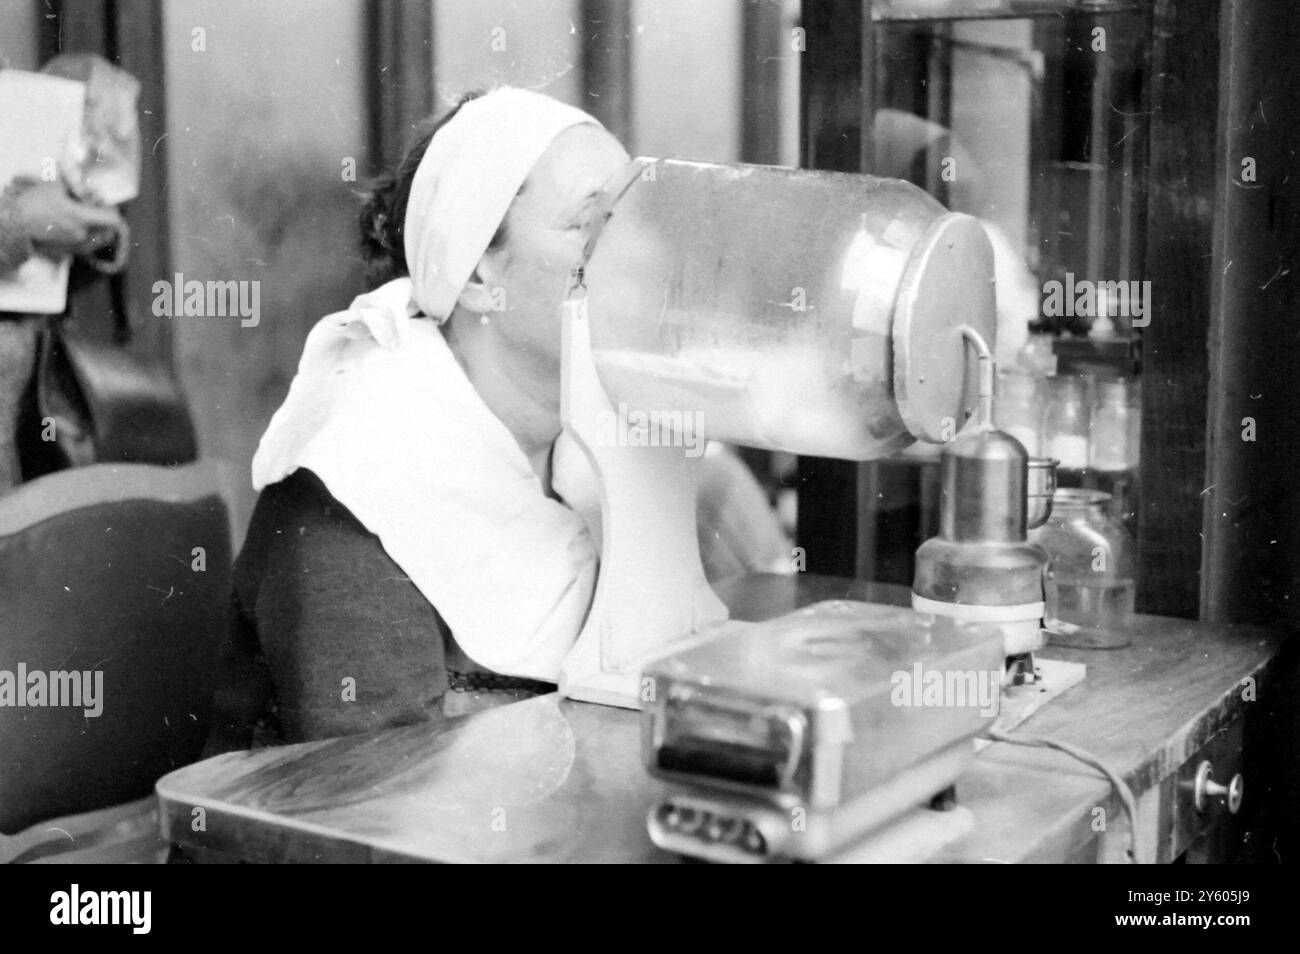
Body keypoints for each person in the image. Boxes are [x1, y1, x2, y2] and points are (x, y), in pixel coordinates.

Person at [208, 88, 789, 752]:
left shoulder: (601, 446)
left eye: (635, 219)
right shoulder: (359, 481)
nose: (641, 256)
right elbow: (376, 805)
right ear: (481, 272)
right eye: (590, 226)